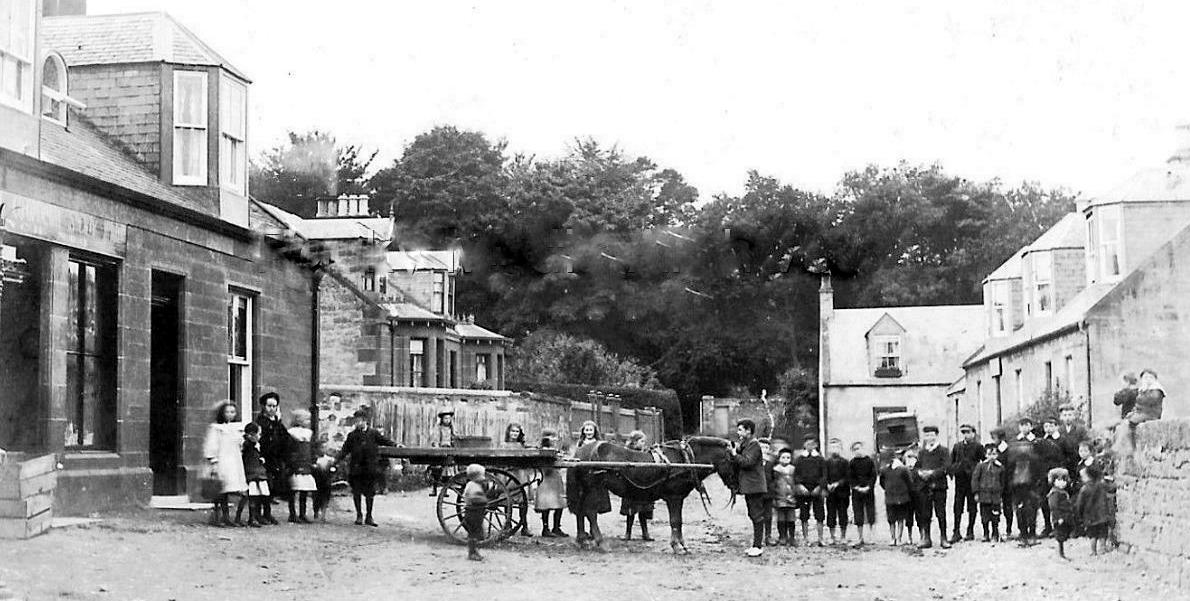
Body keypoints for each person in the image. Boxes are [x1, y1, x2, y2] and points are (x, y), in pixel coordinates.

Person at [336, 408, 396, 526]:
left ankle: (369, 516)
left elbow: (385, 441)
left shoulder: (373, 433)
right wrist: (336, 460)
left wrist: (395, 444)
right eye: (356, 421)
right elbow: (345, 450)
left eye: (359, 421)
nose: (357, 423)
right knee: (356, 492)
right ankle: (359, 515)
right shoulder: (352, 435)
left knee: (370, 493)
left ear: (365, 421)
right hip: (356, 469)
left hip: (370, 468)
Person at [567, 420, 611, 551]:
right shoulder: (580, 444)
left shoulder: (599, 444)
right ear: (583, 431)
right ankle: (580, 532)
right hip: (581, 477)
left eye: (591, 430)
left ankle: (593, 530)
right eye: (586, 430)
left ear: (595, 431)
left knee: (593, 504)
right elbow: (574, 458)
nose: (588, 432)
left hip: (594, 478)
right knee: (579, 506)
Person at [728, 419, 768, 557]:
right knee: (753, 514)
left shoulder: (754, 445)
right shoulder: (746, 444)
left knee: (756, 515)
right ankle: (755, 545)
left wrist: (735, 454)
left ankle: (758, 546)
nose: (738, 432)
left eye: (740, 430)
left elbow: (747, 462)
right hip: (750, 486)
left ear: (748, 431)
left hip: (755, 486)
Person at [203, 401, 248, 527]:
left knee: (232, 489)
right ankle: (221, 516)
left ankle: (230, 517)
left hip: (234, 461)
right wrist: (214, 461)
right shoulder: (216, 428)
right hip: (222, 460)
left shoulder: (236, 428)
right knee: (221, 489)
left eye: (232, 412)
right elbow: (212, 444)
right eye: (227, 412)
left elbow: (240, 444)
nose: (230, 414)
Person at [254, 392, 289, 525]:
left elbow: (285, 438)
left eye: (274, 406)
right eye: (269, 406)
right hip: (264, 457)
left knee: (272, 487)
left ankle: (267, 513)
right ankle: (258, 513)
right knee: (263, 485)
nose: (272, 409)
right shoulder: (260, 422)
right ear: (264, 406)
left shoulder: (277, 422)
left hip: (275, 458)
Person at [915, 425, 952, 549]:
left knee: (940, 513)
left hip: (939, 486)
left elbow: (946, 467)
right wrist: (920, 473)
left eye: (931, 435)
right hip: (924, 487)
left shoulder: (943, 450)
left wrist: (932, 473)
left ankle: (943, 538)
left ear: (936, 436)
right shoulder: (922, 452)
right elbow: (917, 466)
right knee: (925, 513)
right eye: (927, 435)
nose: (929, 438)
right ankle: (926, 538)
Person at [1006, 418, 1042, 547]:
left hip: (1032, 479)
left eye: (1027, 425)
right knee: (1019, 507)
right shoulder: (1013, 442)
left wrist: (1038, 477)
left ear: (1031, 427)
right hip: (1017, 479)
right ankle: (1023, 532)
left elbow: (1040, 461)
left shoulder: (1037, 442)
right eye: (1022, 425)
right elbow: (1009, 461)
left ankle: (1032, 532)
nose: (1024, 428)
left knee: (1032, 506)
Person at [949, 424, 984, 543]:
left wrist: (977, 472)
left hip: (972, 480)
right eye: (964, 433)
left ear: (973, 433)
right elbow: (951, 461)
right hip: (960, 480)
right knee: (958, 506)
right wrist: (955, 469)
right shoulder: (957, 446)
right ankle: (956, 531)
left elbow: (983, 461)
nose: (966, 435)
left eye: (968, 432)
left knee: (972, 506)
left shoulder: (978, 446)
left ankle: (970, 531)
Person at [619, 430, 655, 541]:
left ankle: (645, 533)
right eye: (641, 441)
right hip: (631, 485)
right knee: (631, 511)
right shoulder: (628, 453)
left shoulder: (646, 453)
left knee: (643, 510)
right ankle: (628, 533)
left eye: (644, 441)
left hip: (643, 485)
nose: (644, 443)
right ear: (635, 442)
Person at [793, 435, 828, 547]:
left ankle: (820, 538)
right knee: (804, 514)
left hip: (817, 491)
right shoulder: (799, 460)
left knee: (820, 514)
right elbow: (796, 475)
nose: (810, 446)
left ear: (816, 445)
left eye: (812, 444)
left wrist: (819, 487)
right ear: (804, 445)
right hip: (804, 491)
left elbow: (824, 475)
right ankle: (805, 538)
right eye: (807, 444)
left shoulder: (820, 459)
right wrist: (800, 486)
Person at [502, 422, 534, 538]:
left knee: (522, 501)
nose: (514, 434)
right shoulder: (504, 445)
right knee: (507, 499)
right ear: (508, 432)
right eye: (512, 431)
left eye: (517, 432)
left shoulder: (522, 446)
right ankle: (508, 524)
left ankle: (524, 526)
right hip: (509, 474)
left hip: (520, 474)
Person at [1035, 416, 1065, 538]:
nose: (1048, 429)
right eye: (1046, 426)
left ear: (1057, 427)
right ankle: (1047, 526)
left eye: (1051, 426)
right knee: (1044, 501)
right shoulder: (1041, 442)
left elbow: (1068, 457)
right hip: (1043, 475)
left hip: (1058, 475)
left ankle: (1059, 527)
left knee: (1057, 501)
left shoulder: (1062, 441)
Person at [286, 409, 317, 524]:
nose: (308, 421)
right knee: (294, 489)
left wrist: (312, 460)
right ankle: (292, 513)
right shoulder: (291, 433)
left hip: (306, 463)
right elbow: (289, 449)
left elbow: (312, 448)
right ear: (298, 420)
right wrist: (292, 462)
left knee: (305, 489)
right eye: (306, 419)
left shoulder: (309, 433)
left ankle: (302, 513)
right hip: (295, 464)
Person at [535, 428, 568, 538]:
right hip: (546, 479)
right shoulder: (543, 450)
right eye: (551, 437)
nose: (554, 439)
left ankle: (556, 527)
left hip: (556, 478)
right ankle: (545, 529)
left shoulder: (555, 450)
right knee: (546, 504)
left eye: (554, 437)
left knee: (560, 503)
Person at [237, 422, 269, 528]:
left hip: (257, 473)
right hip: (252, 474)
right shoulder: (248, 446)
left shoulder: (255, 445)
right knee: (251, 496)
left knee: (256, 496)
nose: (259, 436)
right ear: (251, 435)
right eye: (258, 434)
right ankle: (249, 518)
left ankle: (254, 516)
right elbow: (248, 459)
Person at [971, 443, 1004, 542]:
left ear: (997, 455)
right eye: (989, 454)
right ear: (985, 455)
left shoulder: (1000, 467)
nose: (991, 457)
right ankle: (986, 533)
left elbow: (1003, 481)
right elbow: (975, 479)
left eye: (994, 454)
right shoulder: (981, 466)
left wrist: (1000, 492)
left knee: (995, 516)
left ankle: (995, 533)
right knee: (984, 516)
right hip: (984, 496)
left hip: (995, 496)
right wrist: (976, 492)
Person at [1075, 465, 1111, 556]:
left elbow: (1080, 504)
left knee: (1092, 535)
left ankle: (1093, 551)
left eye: (1083, 476)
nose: (1082, 478)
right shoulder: (1101, 485)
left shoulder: (1084, 489)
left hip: (1090, 516)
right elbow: (1111, 488)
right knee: (1103, 533)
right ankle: (1103, 548)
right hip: (1102, 514)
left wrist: (1080, 515)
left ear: (1089, 476)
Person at [463, 463, 496, 561]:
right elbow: (475, 499)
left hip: (474, 513)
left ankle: (474, 551)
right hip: (473, 513)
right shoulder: (473, 486)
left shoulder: (472, 485)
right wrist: (485, 501)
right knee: (474, 533)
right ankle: (472, 553)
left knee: (475, 533)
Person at [880, 451, 913, 547]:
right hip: (890, 498)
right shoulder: (884, 470)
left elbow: (909, 482)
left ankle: (899, 538)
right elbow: (882, 482)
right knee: (891, 519)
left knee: (900, 518)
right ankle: (892, 538)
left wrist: (904, 491)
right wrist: (888, 489)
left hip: (902, 497)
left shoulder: (903, 469)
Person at [848, 441, 877, 547]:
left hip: (868, 491)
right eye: (855, 449)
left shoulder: (869, 461)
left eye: (859, 448)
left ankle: (871, 536)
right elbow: (850, 477)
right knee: (858, 514)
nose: (857, 451)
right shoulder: (852, 463)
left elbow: (873, 475)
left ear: (863, 448)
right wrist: (857, 487)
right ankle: (860, 537)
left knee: (870, 513)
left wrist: (868, 486)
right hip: (857, 492)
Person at [824, 438, 851, 545]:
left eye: (837, 447)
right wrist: (827, 484)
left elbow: (848, 477)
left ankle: (843, 536)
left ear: (841, 448)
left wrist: (838, 484)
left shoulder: (845, 462)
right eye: (832, 447)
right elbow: (824, 476)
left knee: (843, 514)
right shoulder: (826, 463)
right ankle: (832, 536)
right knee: (831, 514)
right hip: (830, 494)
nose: (834, 449)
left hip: (842, 493)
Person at [770, 447, 798, 546]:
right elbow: (773, 484)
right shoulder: (776, 470)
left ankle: (792, 537)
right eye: (783, 457)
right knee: (781, 518)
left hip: (791, 497)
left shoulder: (793, 469)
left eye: (788, 457)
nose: (785, 459)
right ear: (779, 458)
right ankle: (782, 536)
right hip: (780, 496)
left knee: (791, 518)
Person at [1046, 468, 1074, 560]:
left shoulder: (1063, 492)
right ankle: (1060, 554)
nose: (1062, 483)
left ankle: (1062, 553)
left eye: (1064, 480)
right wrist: (1058, 517)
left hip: (1065, 516)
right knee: (1059, 536)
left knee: (1063, 534)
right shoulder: (1054, 493)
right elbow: (1054, 506)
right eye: (1059, 480)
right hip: (1059, 517)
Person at [428, 410, 457, 496]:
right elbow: (436, 439)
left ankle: (445, 490)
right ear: (442, 419)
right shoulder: (439, 428)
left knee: (447, 470)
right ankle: (434, 489)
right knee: (436, 470)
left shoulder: (452, 429)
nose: (447, 420)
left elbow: (455, 439)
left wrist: (454, 446)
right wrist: (438, 449)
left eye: (449, 418)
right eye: (445, 418)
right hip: (440, 450)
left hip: (449, 450)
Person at [759, 438, 776, 546]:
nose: (763, 450)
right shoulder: (754, 462)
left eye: (766, 447)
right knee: (758, 515)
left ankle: (768, 536)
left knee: (768, 515)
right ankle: (759, 537)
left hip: (768, 493)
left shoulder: (771, 463)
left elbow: (774, 478)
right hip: (757, 492)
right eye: (761, 447)